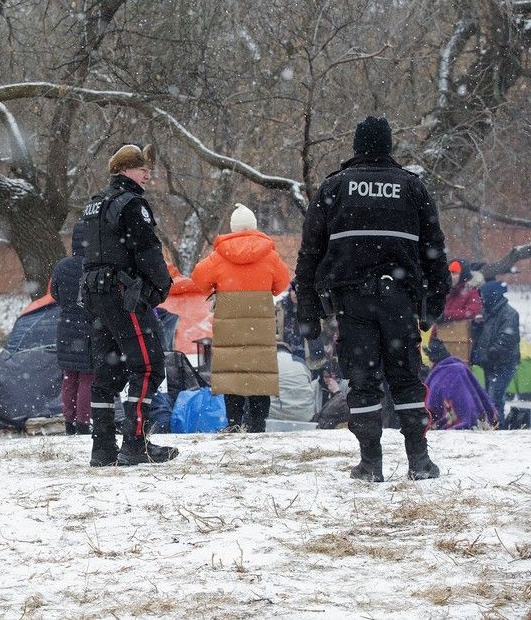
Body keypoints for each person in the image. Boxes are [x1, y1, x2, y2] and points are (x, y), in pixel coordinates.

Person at [294, 116, 450, 482]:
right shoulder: (412, 188)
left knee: (362, 381)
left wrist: (307, 307)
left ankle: (370, 464)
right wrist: (434, 304)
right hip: (399, 301)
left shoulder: (334, 187)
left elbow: (309, 253)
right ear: (388, 146)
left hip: (352, 301)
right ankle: (419, 461)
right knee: (406, 378)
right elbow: (435, 252)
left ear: (357, 146)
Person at [79, 143, 175, 467]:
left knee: (107, 373)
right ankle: (135, 443)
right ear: (123, 170)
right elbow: (147, 250)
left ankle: (102, 448)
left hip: (96, 296)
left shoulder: (93, 205)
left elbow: (87, 252)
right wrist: (162, 285)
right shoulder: (132, 204)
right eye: (141, 168)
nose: (148, 174)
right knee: (148, 366)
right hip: (125, 295)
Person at [191, 204, 290, 433]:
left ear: (233, 228)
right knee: (260, 374)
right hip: (260, 325)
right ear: (254, 227)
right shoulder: (270, 255)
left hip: (230, 325)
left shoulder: (218, 256)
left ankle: (234, 423)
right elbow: (282, 284)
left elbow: (198, 279)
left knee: (232, 373)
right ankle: (258, 425)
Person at [50, 220, 93, 435]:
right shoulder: (94, 265)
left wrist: (68, 307)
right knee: (87, 377)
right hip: (88, 326)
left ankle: (69, 422)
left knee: (69, 377)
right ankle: (84, 422)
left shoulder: (62, 266)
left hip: (66, 327)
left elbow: (55, 293)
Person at [471, 280, 520, 420]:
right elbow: (480, 336)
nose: (482, 300)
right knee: (490, 398)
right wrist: (476, 325)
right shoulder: (488, 312)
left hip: (504, 363)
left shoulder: (509, 314)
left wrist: (487, 354)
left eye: (484, 297)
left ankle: (498, 427)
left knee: (495, 399)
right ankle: (495, 425)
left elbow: (505, 342)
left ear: (493, 296)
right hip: (490, 363)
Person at [424, 339, 498, 430]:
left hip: (451, 414)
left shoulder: (436, 375)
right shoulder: (461, 367)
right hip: (472, 415)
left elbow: (431, 401)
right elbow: (478, 391)